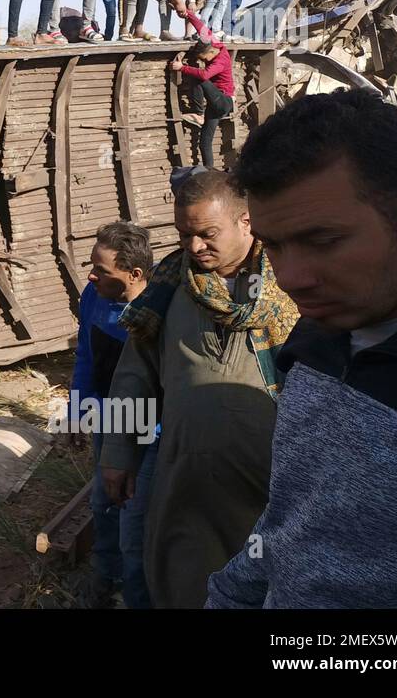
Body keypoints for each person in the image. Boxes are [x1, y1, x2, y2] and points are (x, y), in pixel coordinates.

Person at [208, 90, 397, 608]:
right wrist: (228, 597)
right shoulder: (316, 338)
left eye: (322, 241)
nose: (292, 278)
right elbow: (296, 515)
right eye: (273, 245)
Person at [99, 169, 299, 609]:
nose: (193, 247)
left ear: (246, 222)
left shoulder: (294, 281)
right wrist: (118, 454)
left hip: (272, 480)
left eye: (207, 234)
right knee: (182, 578)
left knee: (272, 581)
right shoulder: (168, 290)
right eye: (183, 234)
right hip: (185, 475)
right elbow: (134, 377)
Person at [73, 221, 156, 609]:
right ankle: (107, 578)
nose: (91, 275)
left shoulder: (159, 310)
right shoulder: (92, 296)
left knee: (136, 525)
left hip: (150, 430)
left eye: (101, 270)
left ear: (134, 274)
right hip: (107, 420)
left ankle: (139, 596)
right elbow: (86, 356)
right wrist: (79, 409)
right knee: (102, 505)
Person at [171, 13, 234, 168]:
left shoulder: (221, 60)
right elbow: (201, 27)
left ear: (211, 52)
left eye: (204, 58)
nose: (203, 61)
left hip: (223, 101)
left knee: (200, 76)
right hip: (215, 105)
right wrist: (187, 14)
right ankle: (209, 171)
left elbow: (205, 74)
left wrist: (182, 68)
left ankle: (199, 113)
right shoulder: (213, 43)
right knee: (204, 142)